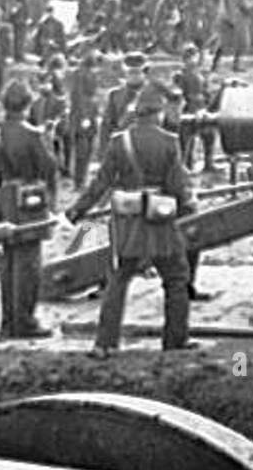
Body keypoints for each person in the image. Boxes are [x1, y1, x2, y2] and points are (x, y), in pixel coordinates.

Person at [67, 84, 197, 358]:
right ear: (158, 114)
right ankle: (175, 341)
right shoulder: (169, 142)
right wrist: (188, 206)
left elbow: (100, 183)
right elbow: (177, 185)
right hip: (159, 221)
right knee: (176, 278)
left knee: (118, 279)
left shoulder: (118, 142)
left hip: (127, 224)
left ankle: (105, 344)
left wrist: (77, 210)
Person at [0, 79, 57, 340]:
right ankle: (25, 321)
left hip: (2, 201)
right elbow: (49, 168)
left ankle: (8, 321)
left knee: (8, 262)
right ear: (28, 105)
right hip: (29, 203)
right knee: (28, 264)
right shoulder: (33, 135)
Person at [174, 43, 217, 168]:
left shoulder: (200, 74)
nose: (192, 60)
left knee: (209, 135)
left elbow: (206, 91)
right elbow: (179, 93)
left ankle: (209, 163)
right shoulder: (180, 75)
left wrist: (208, 102)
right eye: (189, 57)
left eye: (194, 56)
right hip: (189, 108)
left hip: (202, 106)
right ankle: (186, 164)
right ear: (184, 59)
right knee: (187, 140)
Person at [100, 52, 148, 152]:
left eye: (137, 72)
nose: (134, 76)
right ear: (125, 72)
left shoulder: (154, 94)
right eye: (130, 72)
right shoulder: (114, 95)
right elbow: (107, 126)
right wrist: (104, 151)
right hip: (121, 147)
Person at [69, 47, 100, 187]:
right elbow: (78, 96)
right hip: (82, 115)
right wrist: (85, 117)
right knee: (82, 150)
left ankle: (82, 179)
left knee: (88, 149)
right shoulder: (80, 74)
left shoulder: (90, 73)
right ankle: (79, 180)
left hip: (90, 113)